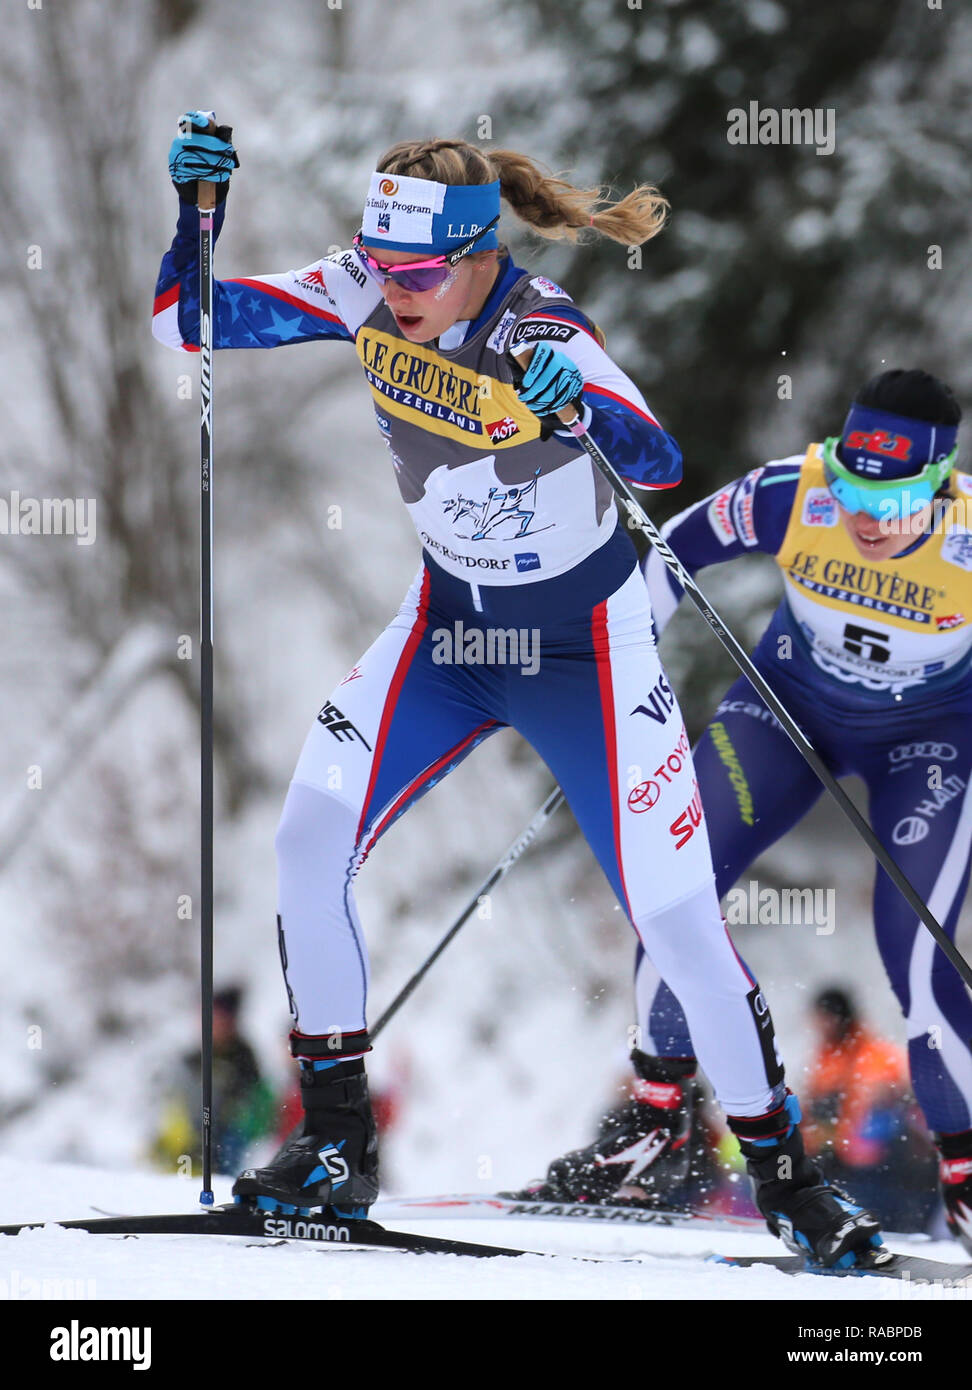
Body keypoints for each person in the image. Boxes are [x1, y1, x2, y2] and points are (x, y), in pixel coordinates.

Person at [152, 111, 885, 1266]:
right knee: (306, 838)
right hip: (446, 631)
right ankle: (337, 1144)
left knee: (682, 919)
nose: (395, 290)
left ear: (480, 253)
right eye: (381, 264)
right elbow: (191, 319)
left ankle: (789, 1178)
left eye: (420, 271)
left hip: (585, 653)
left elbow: (653, 456)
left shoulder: (540, 321)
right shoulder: (365, 284)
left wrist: (573, 402)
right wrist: (198, 224)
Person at [528, 368, 972, 1254]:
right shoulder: (792, 493)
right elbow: (670, 549)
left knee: (915, 951)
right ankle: (657, 1123)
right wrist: (614, 668)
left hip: (927, 741)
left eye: (897, 496)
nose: (866, 517)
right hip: (787, 708)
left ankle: (965, 1175)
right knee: (672, 881)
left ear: (944, 482)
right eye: (851, 487)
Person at [800, 987, 938, 1232]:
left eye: (824, 1018)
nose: (820, 1026)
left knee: (887, 1224)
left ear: (838, 1016)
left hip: (883, 1160)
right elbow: (817, 1106)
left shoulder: (874, 1052)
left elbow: (895, 1095)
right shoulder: (826, 1057)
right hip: (847, 1160)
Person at [150, 986, 276, 1176]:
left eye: (215, 1018)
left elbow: (254, 1112)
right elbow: (177, 1106)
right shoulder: (191, 1060)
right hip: (191, 1141)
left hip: (226, 1146)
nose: (208, 1024)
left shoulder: (244, 1060)